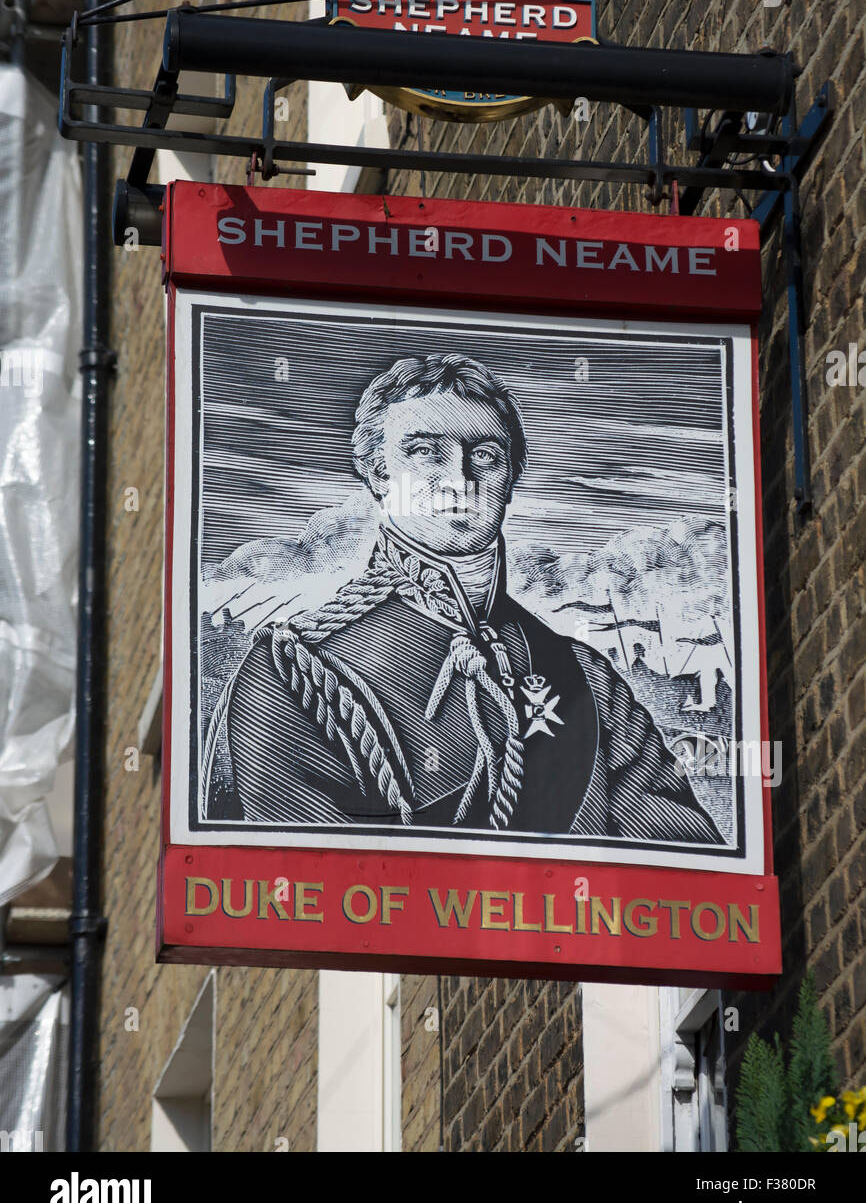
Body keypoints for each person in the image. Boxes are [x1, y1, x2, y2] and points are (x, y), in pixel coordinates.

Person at [217, 353, 721, 843]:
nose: (460, 480)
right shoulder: (295, 669)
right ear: (376, 474)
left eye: (485, 455)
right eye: (424, 451)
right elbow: (314, 891)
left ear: (511, 478)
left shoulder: (585, 678)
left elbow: (677, 868)